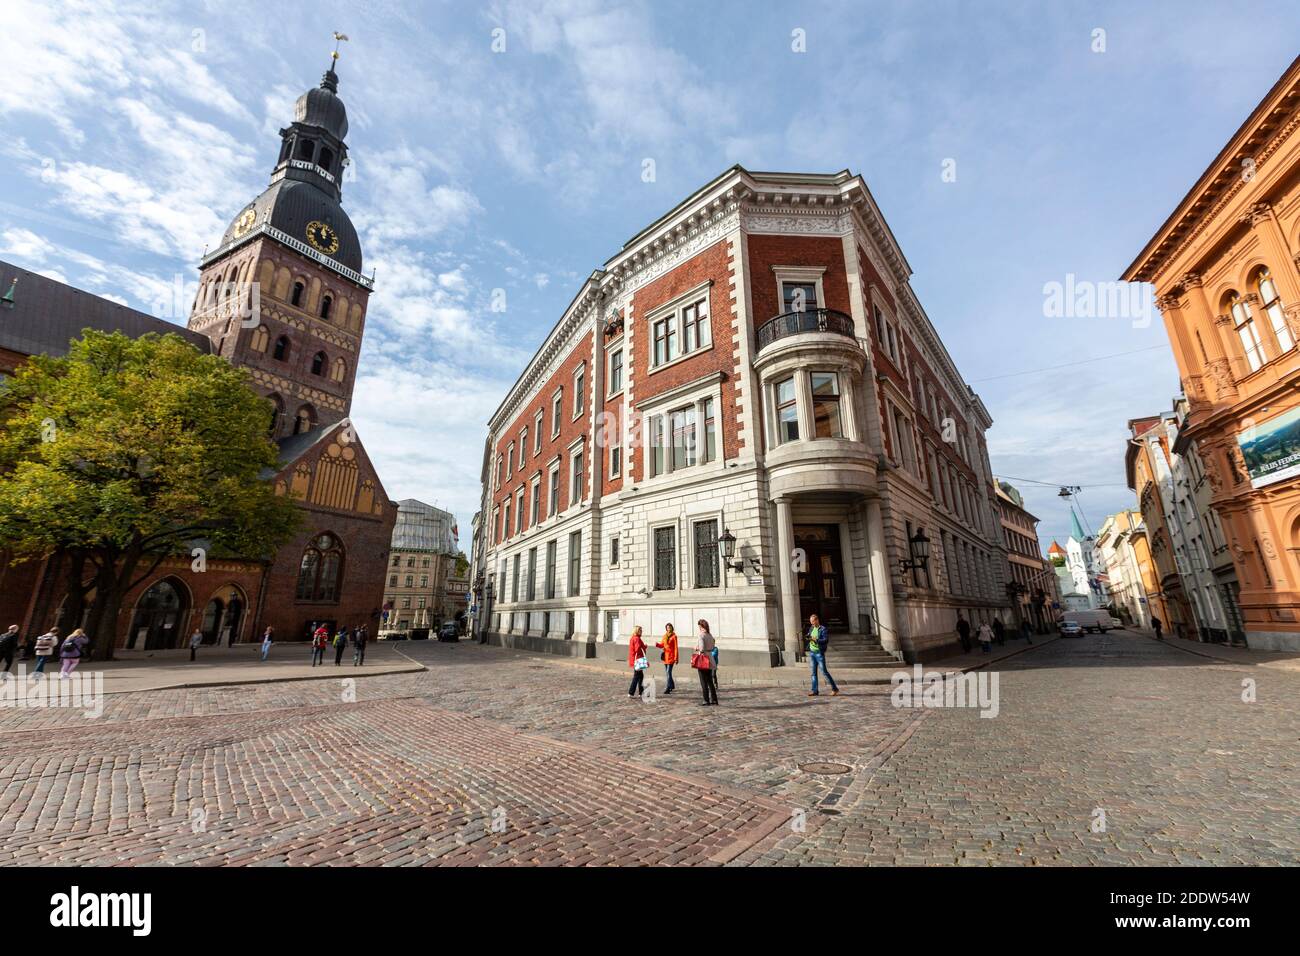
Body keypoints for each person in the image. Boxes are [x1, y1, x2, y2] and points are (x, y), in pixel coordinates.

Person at [805, 614, 839, 697]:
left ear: (817, 620)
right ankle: (814, 690)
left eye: (813, 622)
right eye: (811, 622)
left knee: (824, 672)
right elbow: (809, 635)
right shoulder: (812, 628)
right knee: (813, 673)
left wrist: (816, 639)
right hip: (812, 653)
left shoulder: (823, 629)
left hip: (819, 653)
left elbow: (825, 640)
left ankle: (835, 689)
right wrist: (808, 637)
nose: (812, 624)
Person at [692, 621, 718, 705]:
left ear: (701, 626)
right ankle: (714, 699)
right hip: (710, 658)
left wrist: (696, 648)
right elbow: (712, 646)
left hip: (703, 659)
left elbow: (702, 648)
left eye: (699, 627)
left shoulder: (701, 635)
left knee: (703, 681)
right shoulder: (710, 635)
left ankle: (706, 700)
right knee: (710, 681)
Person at [654, 623, 678, 694]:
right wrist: (657, 644)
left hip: (671, 657)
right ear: (666, 628)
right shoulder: (664, 636)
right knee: (668, 673)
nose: (668, 628)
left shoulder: (674, 636)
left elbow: (676, 648)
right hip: (665, 657)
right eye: (667, 627)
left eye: (669, 627)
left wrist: (676, 658)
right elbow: (662, 645)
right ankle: (672, 685)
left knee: (668, 672)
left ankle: (668, 688)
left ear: (672, 628)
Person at [627, 626, 648, 699]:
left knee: (640, 676)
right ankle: (631, 692)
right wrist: (643, 647)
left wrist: (644, 647)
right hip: (638, 660)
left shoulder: (633, 638)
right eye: (640, 630)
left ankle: (641, 692)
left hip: (635, 660)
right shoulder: (637, 639)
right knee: (636, 677)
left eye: (641, 630)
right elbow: (637, 649)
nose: (641, 631)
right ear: (636, 631)